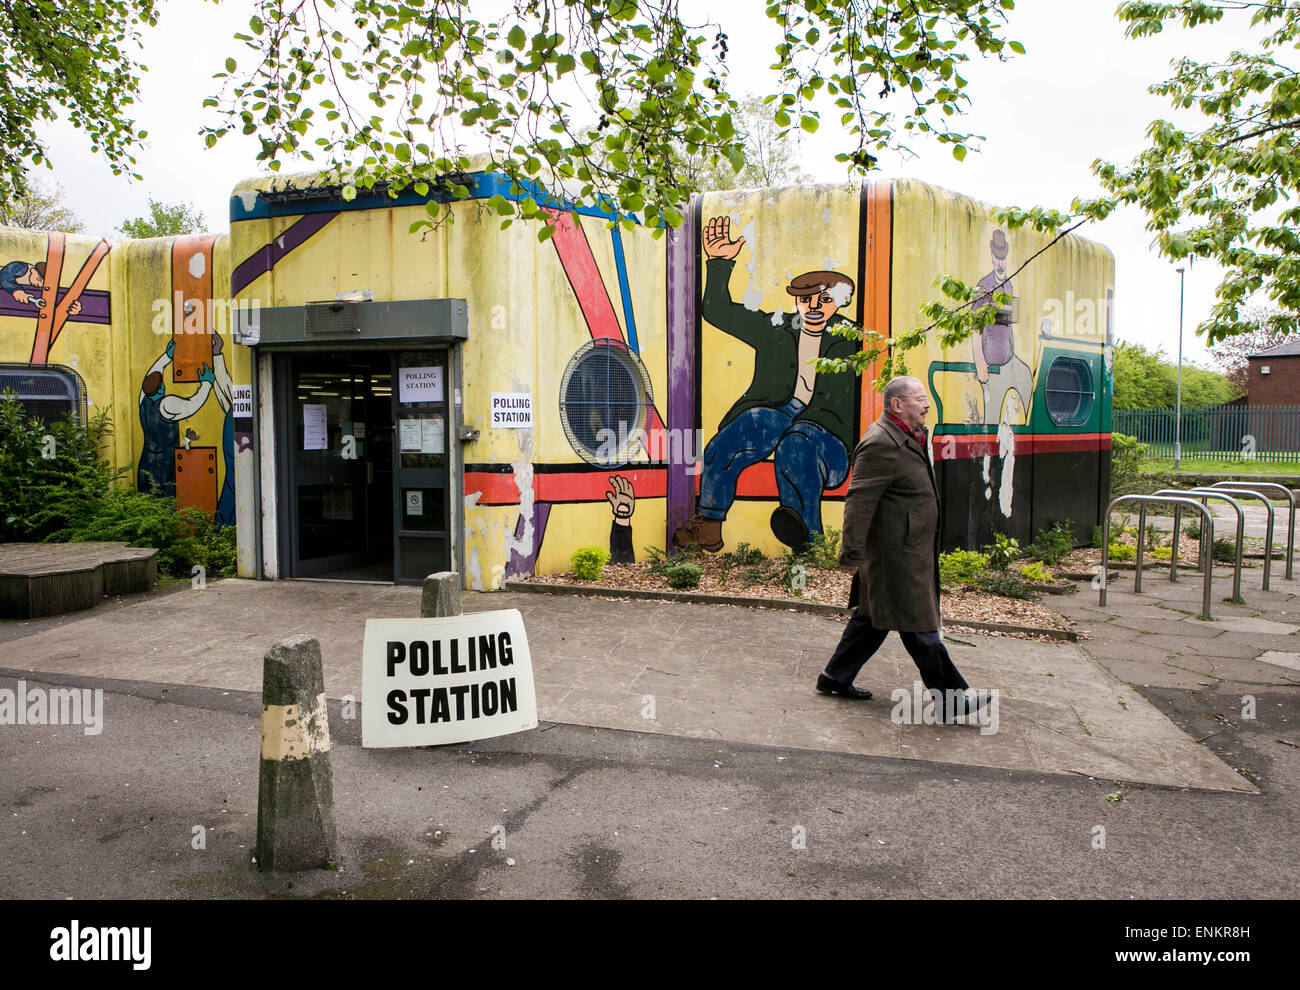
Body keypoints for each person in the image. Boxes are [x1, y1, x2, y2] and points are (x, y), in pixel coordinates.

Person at [672, 215, 857, 554]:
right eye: (806, 300)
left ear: (840, 302)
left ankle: (809, 545)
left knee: (796, 447)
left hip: (824, 430)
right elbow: (718, 311)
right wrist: (719, 263)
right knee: (729, 440)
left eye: (824, 301)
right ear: (796, 301)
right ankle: (709, 527)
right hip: (777, 412)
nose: (814, 308)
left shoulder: (853, 338)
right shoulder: (776, 328)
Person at [816, 376, 991, 723]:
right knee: (919, 626)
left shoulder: (905, 437)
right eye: (920, 399)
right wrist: (851, 554)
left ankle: (835, 677)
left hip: (906, 548)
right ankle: (952, 699)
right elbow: (859, 501)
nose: (926, 405)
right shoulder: (881, 442)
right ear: (898, 405)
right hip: (896, 555)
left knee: (871, 619)